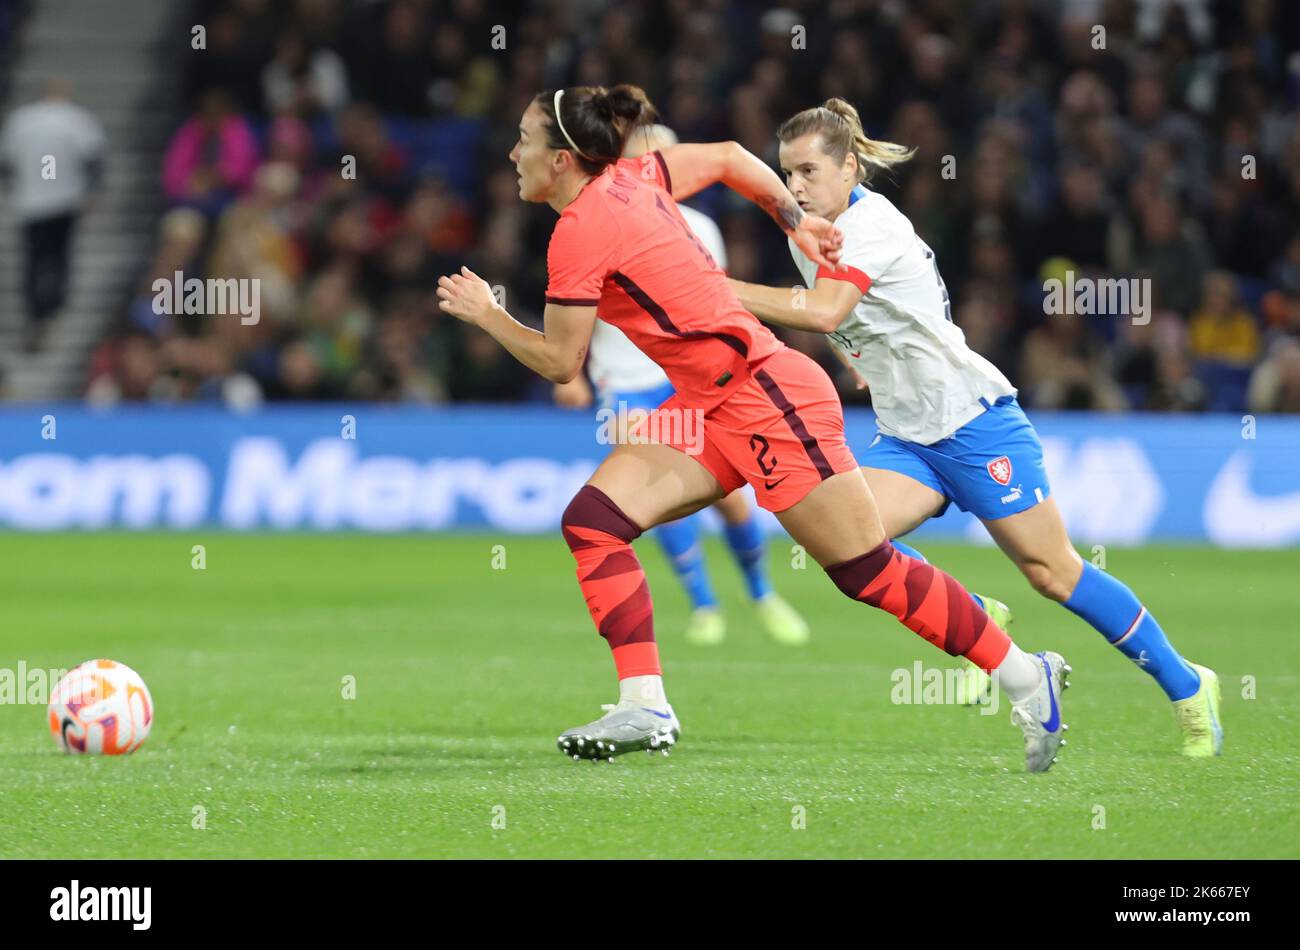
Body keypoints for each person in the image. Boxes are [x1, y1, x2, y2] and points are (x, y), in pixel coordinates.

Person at [436, 84, 1069, 772]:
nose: (512, 153)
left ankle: (1026, 676)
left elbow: (561, 362)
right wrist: (793, 218)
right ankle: (645, 703)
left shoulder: (580, 230)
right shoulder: (638, 173)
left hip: (766, 398)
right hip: (708, 403)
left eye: (524, 140)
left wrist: (488, 314)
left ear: (561, 159)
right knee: (593, 522)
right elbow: (735, 159)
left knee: (865, 570)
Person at [728, 98, 1221, 757]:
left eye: (808, 172)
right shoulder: (808, 237)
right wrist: (863, 363)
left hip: (973, 422)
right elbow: (844, 327)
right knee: (850, 547)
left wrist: (718, 290)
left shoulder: (872, 224)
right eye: (786, 173)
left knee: (1052, 573)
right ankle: (978, 619)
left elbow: (823, 312)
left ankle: (1189, 686)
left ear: (849, 168)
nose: (794, 187)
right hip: (907, 437)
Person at [552, 123, 810, 647]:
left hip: (689, 380)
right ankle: (703, 604)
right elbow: (573, 303)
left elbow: (718, 304)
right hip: (623, 379)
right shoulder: (596, 220)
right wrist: (574, 372)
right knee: (651, 492)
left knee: (732, 501)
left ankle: (760, 591)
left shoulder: (698, 227)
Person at [0, 78, 105, 352]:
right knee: (59, 256)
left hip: (32, 203)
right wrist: (92, 192)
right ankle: (53, 305)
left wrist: (17, 188)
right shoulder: (76, 119)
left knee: (35, 259)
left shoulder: (21, 120)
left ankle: (38, 310)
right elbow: (93, 159)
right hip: (63, 200)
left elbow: (7, 163)